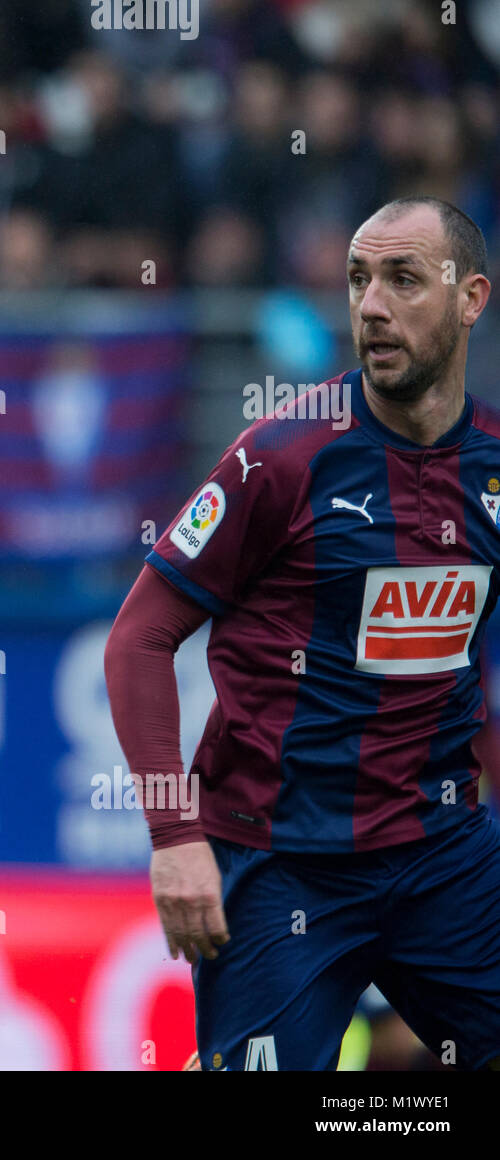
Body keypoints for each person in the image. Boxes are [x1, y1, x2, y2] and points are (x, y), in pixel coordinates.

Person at [106, 196, 500, 1071]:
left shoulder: (494, 468)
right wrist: (175, 838)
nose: (370, 305)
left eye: (403, 279)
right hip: (281, 864)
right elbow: (137, 638)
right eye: (359, 279)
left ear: (472, 298)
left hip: (442, 854)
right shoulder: (281, 457)